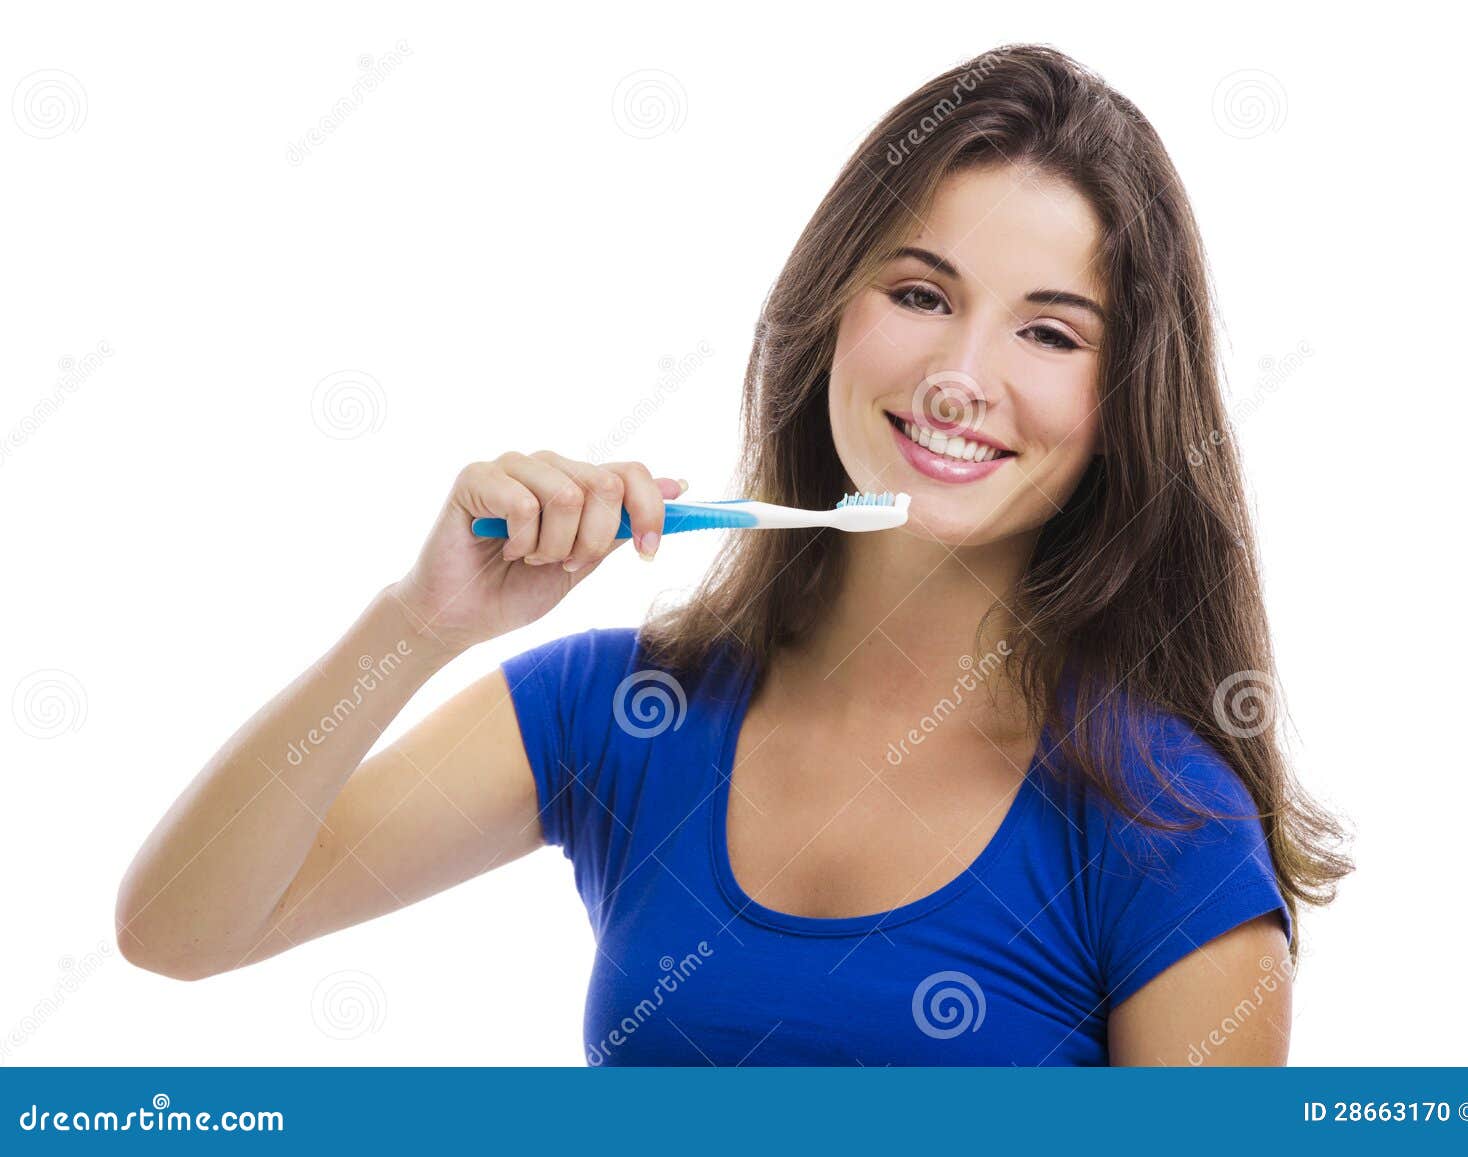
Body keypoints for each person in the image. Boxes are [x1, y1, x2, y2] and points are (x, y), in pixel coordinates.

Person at [116, 42, 1351, 1065]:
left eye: (1049, 332)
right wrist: (416, 625)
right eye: (920, 295)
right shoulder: (620, 711)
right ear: (829, 314)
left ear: (1121, 401)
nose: (959, 377)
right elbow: (178, 929)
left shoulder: (1163, 818)